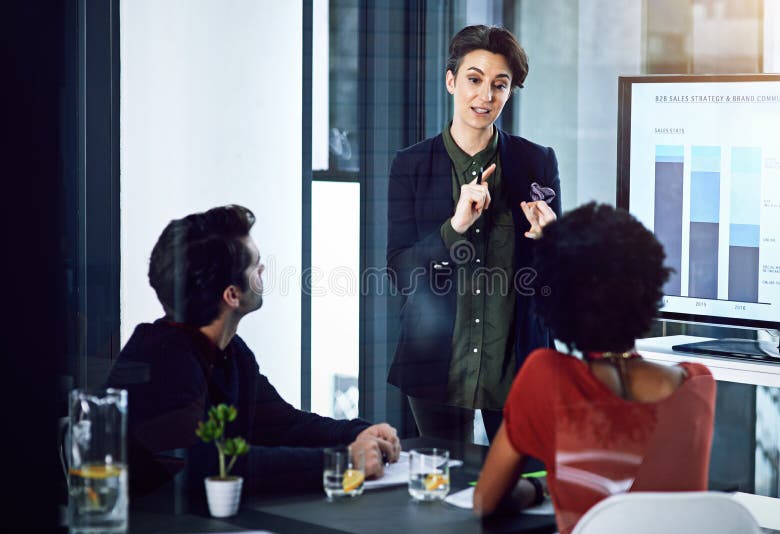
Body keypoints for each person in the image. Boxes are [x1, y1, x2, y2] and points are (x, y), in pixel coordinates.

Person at [106, 205, 400, 496]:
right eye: (256, 265)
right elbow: (217, 468)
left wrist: (359, 434)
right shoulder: (164, 359)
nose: (263, 269)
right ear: (231, 295)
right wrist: (345, 461)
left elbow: (283, 425)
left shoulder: (230, 352)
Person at [473, 203, 717, 533]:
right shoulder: (698, 383)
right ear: (649, 284)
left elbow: (485, 502)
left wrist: (540, 487)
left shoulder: (547, 378)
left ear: (556, 300)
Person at [386, 24, 561, 443]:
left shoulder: (537, 162)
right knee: (441, 490)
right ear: (451, 81)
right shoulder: (410, 165)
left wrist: (552, 242)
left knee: (522, 488)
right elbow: (398, 271)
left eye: (499, 85)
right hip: (437, 364)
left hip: (517, 361)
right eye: (474, 80)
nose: (485, 96)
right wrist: (455, 227)